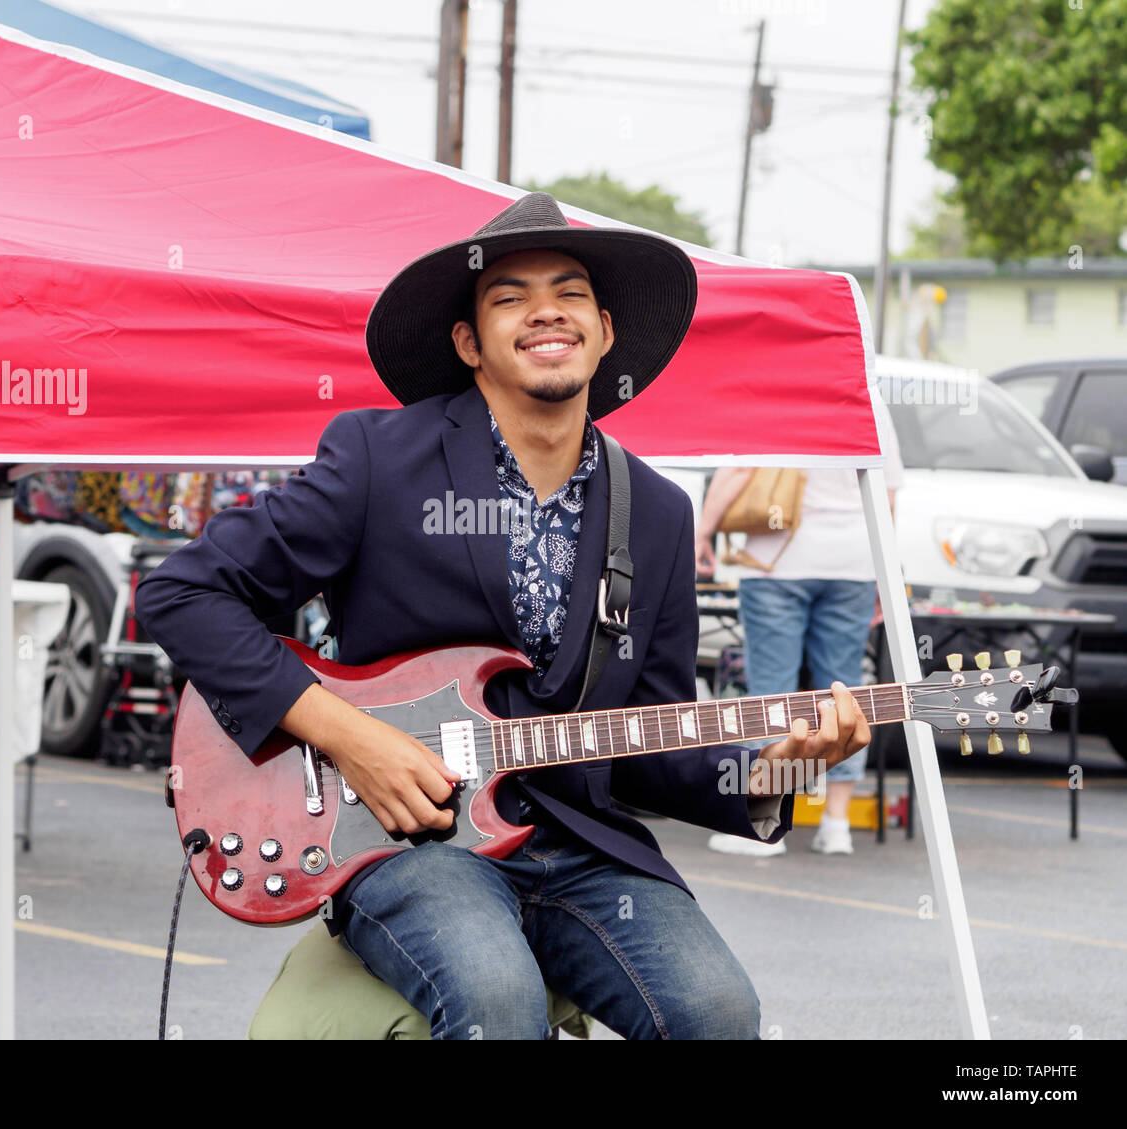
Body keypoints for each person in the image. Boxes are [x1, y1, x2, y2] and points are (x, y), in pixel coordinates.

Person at [134, 192, 871, 1039]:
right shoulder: (379, 457)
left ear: (603, 328)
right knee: (496, 1000)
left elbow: (644, 738)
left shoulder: (658, 512)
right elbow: (183, 592)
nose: (545, 310)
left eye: (568, 292)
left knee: (719, 1012)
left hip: (583, 847)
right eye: (509, 296)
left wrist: (771, 770)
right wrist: (347, 734)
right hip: (411, 842)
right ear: (469, 342)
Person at [696, 393, 902, 856]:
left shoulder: (773, 393)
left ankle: (767, 824)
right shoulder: (868, 399)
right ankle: (838, 825)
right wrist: (884, 573)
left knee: (773, 692)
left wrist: (702, 532)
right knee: (846, 690)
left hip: (778, 560)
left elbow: (739, 470)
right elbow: (886, 495)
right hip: (853, 560)